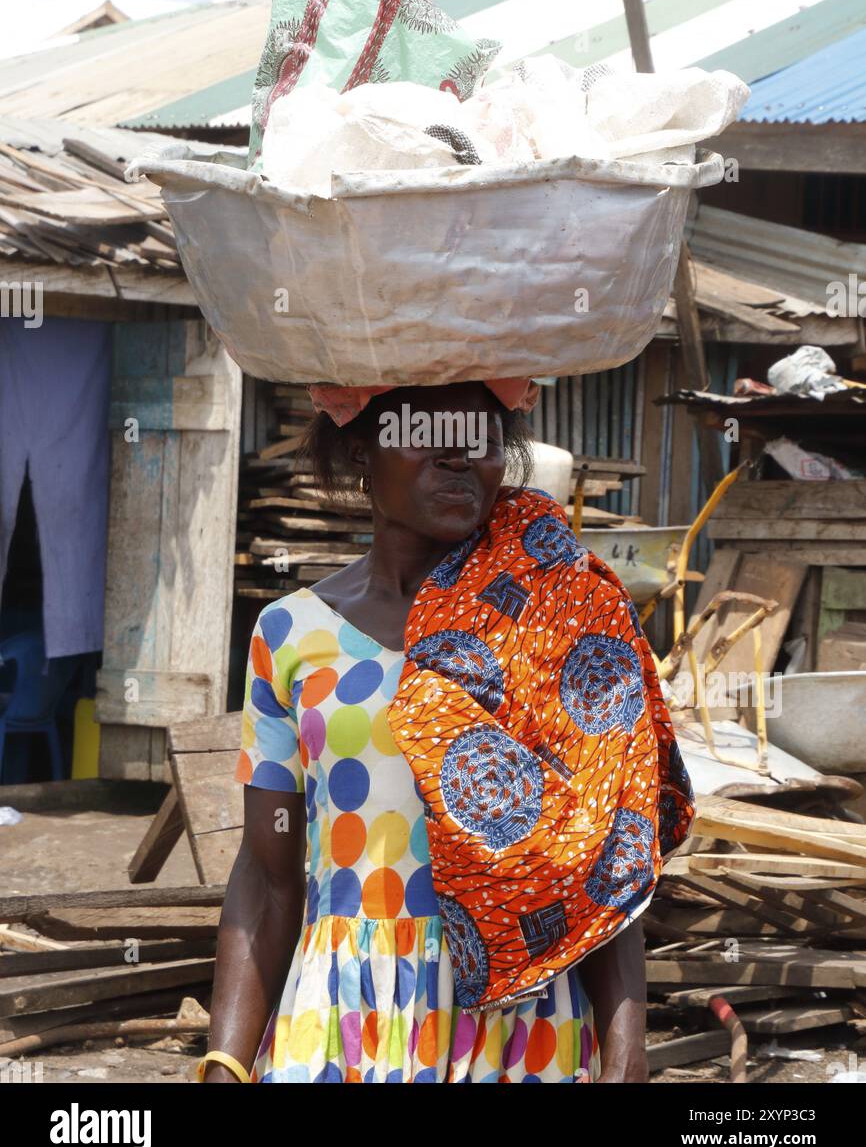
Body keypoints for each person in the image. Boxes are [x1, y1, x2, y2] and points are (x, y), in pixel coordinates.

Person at [199, 380, 692, 1084]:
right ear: (361, 450)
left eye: (485, 438)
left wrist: (626, 1061)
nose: (461, 456)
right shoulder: (289, 634)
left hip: (517, 1030)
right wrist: (225, 1062)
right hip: (342, 1017)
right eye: (425, 431)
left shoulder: (554, 618)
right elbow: (268, 874)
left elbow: (599, 863)